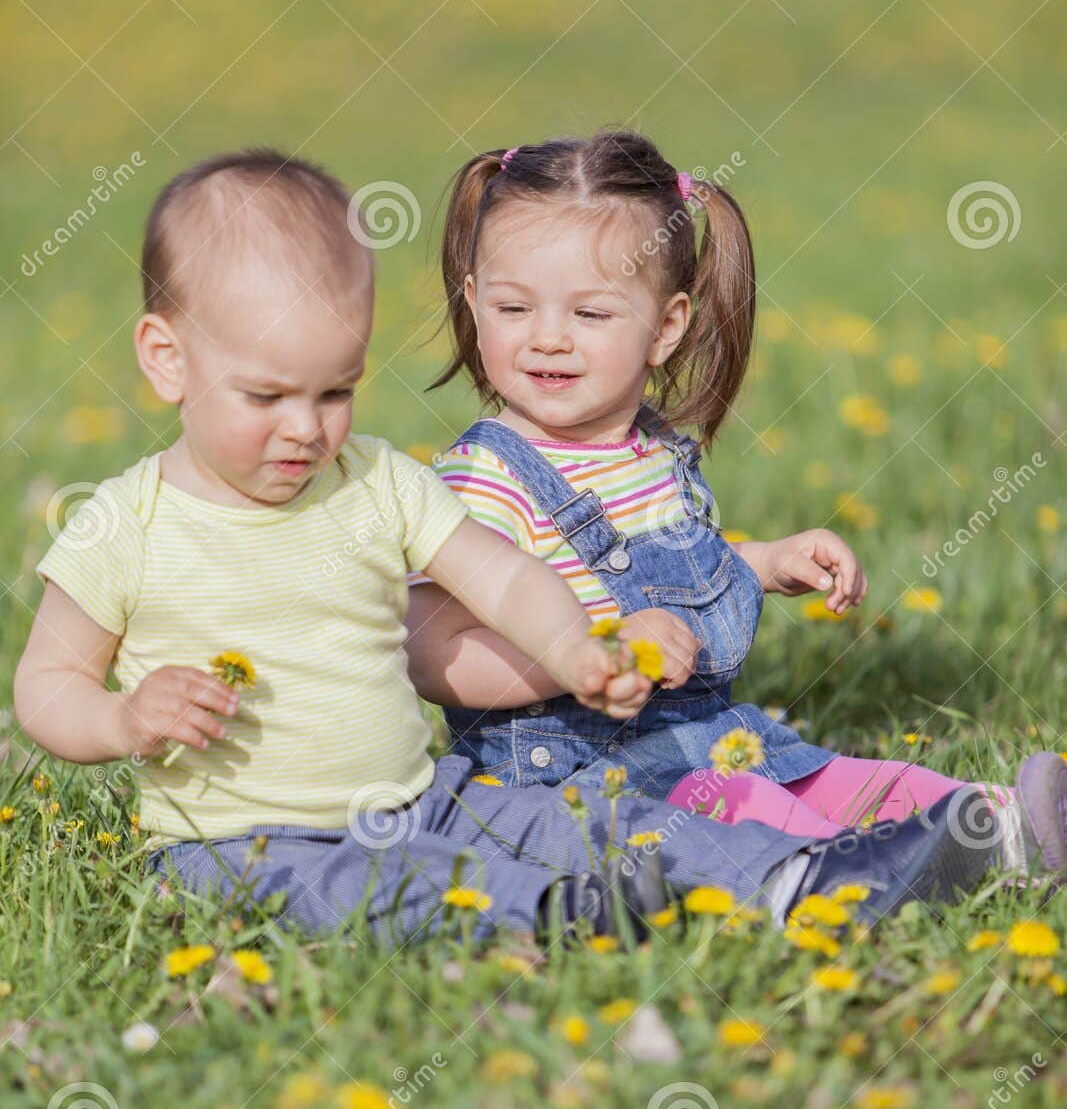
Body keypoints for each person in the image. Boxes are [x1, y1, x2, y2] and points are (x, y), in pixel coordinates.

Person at [12, 149, 1061, 951]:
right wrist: (119, 716)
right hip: (236, 842)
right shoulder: (124, 523)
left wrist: (574, 650)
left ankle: (800, 883)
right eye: (267, 396)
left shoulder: (376, 480)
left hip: (418, 794)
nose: (305, 427)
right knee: (384, 892)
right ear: (166, 359)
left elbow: (503, 577)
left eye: (334, 390)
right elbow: (46, 684)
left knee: (575, 823)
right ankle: (566, 917)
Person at [405, 128, 1065, 862]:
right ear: (471, 301)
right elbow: (433, 654)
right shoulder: (483, 480)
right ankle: (883, 867)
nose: (547, 339)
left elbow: (679, 573)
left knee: (829, 777)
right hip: (576, 785)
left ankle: (998, 825)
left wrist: (761, 564)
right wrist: (585, 653)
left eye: (588, 315)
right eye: (512, 309)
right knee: (748, 805)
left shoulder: (650, 453)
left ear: (665, 327)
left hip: (698, 744)